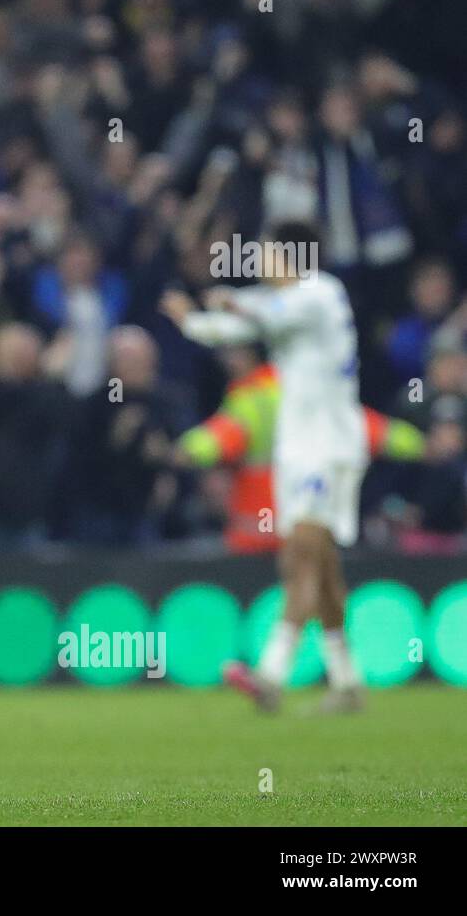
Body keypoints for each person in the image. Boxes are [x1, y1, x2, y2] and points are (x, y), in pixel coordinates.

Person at [162, 221, 367, 713]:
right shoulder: (288, 311)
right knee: (324, 569)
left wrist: (229, 300)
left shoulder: (320, 293)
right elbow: (237, 327)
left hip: (328, 447)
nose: (260, 263)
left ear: (295, 255)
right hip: (301, 448)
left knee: (298, 557)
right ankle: (346, 682)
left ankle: (272, 673)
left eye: (268, 255)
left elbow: (261, 310)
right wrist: (190, 320)